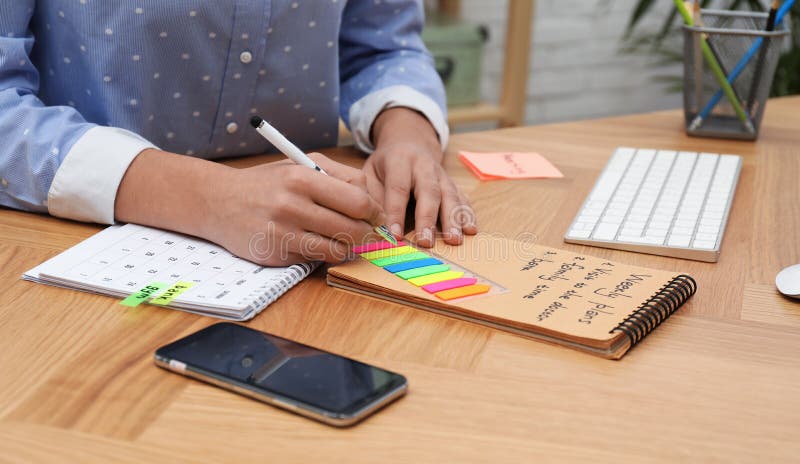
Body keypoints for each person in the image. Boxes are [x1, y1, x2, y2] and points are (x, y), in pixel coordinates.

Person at [0, 1, 477, 266]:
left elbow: (383, 46)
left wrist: (407, 130)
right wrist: (211, 198)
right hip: (62, 249)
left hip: (308, 264)